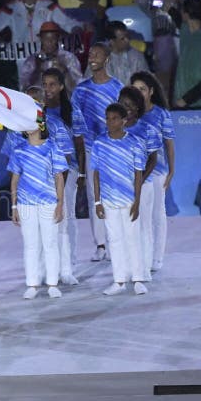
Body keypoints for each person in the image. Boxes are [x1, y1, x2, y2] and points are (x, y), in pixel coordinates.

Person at [70, 43, 123, 261]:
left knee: (114, 194)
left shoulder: (118, 87)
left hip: (114, 149)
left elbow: (124, 119)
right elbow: (76, 124)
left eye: (97, 55)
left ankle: (116, 242)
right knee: (95, 196)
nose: (92, 58)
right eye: (90, 55)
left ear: (107, 59)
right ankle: (100, 244)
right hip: (92, 149)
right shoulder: (81, 91)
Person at [91, 103, 148, 296]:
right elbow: (96, 174)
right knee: (114, 240)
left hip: (129, 199)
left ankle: (138, 279)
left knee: (132, 238)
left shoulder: (134, 142)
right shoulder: (99, 143)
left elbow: (138, 174)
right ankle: (119, 280)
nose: (110, 122)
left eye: (114, 118)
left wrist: (137, 202)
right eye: (107, 118)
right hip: (108, 200)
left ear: (124, 120)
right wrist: (97, 202)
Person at [9, 122, 67, 300]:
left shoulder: (52, 148)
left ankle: (52, 284)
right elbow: (15, 179)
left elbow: (59, 178)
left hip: (48, 203)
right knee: (31, 245)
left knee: (50, 243)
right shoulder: (19, 150)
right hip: (26, 204)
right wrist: (14, 205)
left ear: (40, 124)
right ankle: (32, 284)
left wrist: (59, 204)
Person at [41, 68, 82, 281]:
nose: (48, 89)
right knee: (47, 219)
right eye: (45, 85)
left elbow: (79, 144)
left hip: (68, 170)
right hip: (43, 171)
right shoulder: (39, 113)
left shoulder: (71, 111)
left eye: (52, 85)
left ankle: (69, 263)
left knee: (65, 215)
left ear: (61, 86)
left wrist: (82, 173)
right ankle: (48, 265)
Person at [131, 71, 174, 271]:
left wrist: (172, 170)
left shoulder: (161, 114)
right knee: (140, 216)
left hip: (158, 171)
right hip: (135, 173)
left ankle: (157, 258)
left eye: (142, 89)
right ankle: (141, 256)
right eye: (135, 89)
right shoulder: (130, 114)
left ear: (151, 91)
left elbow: (169, 144)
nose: (138, 93)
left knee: (158, 213)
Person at [117, 87, 161, 280]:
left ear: (137, 107)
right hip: (120, 186)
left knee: (143, 226)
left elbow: (153, 158)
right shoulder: (114, 130)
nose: (124, 108)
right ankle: (127, 269)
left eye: (128, 105)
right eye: (121, 104)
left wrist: (140, 179)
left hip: (144, 185)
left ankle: (144, 269)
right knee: (123, 228)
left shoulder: (147, 130)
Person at [19, 21, 82, 93]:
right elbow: (23, 89)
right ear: (41, 39)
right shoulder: (31, 61)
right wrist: (37, 70)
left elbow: (79, 89)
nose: (49, 42)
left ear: (58, 38)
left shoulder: (69, 58)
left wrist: (65, 72)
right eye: (46, 39)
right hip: (40, 103)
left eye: (53, 38)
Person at [103, 21, 149, 86]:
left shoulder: (137, 56)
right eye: (122, 39)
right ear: (112, 42)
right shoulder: (101, 59)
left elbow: (146, 80)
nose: (127, 40)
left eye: (127, 36)